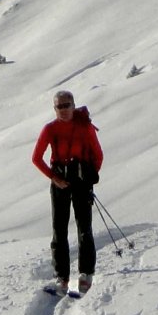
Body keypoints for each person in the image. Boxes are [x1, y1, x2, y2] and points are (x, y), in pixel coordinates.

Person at [31, 89, 103, 296]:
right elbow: (36, 158)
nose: (63, 110)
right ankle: (62, 279)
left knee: (84, 229)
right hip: (59, 182)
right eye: (59, 106)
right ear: (54, 109)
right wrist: (54, 178)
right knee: (59, 230)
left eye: (66, 105)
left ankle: (85, 275)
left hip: (80, 183)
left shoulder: (84, 127)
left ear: (73, 105)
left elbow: (98, 155)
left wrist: (88, 177)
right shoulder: (50, 129)